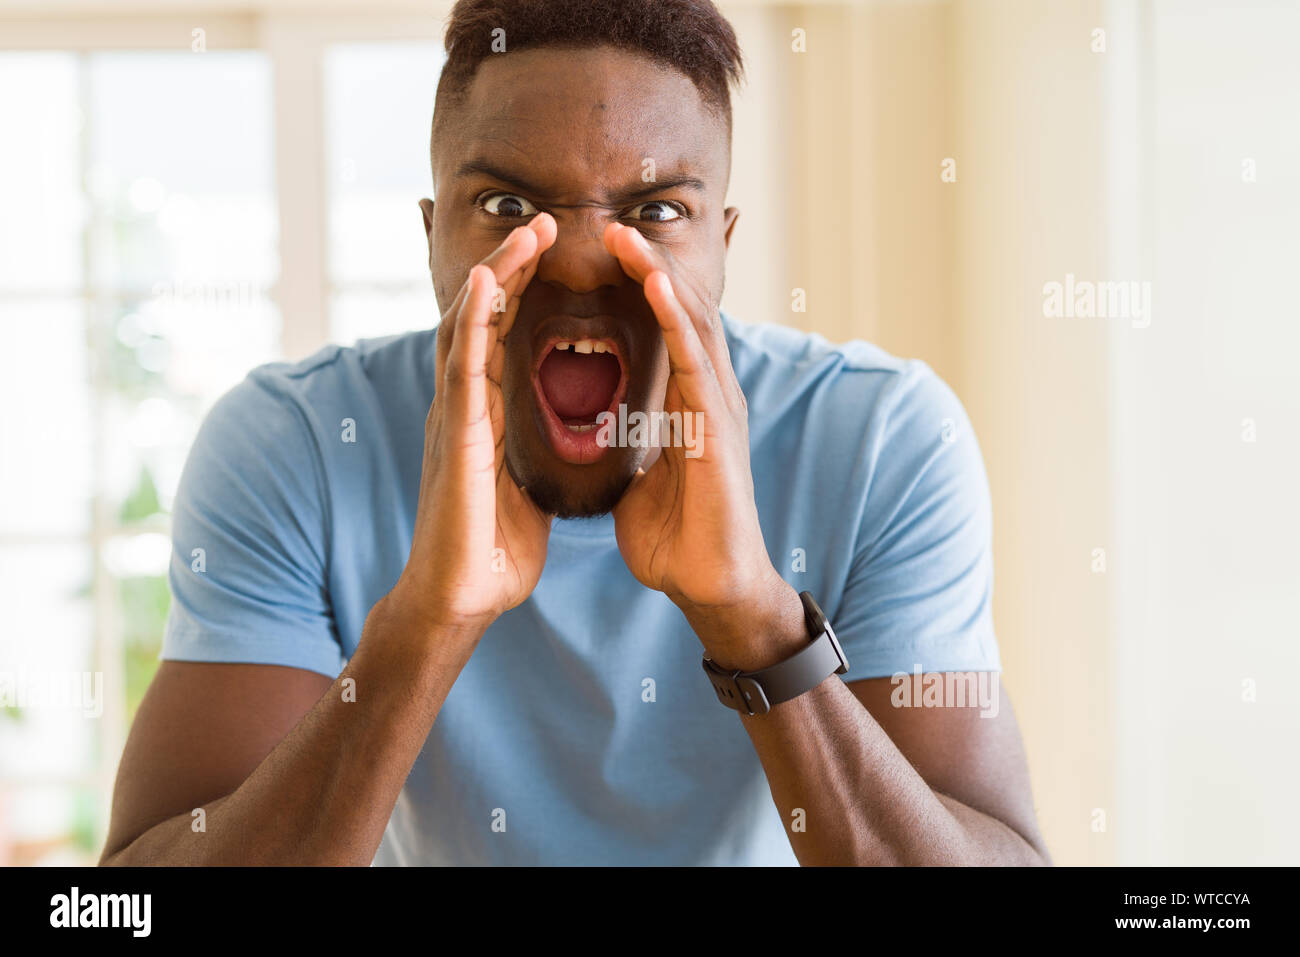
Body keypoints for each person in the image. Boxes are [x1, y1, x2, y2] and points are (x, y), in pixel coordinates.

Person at [101, 0, 1048, 866]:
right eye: (510, 208)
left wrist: (755, 621)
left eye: (656, 212)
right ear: (434, 237)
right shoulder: (292, 443)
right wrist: (426, 626)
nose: (587, 263)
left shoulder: (880, 438)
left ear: (723, 240)